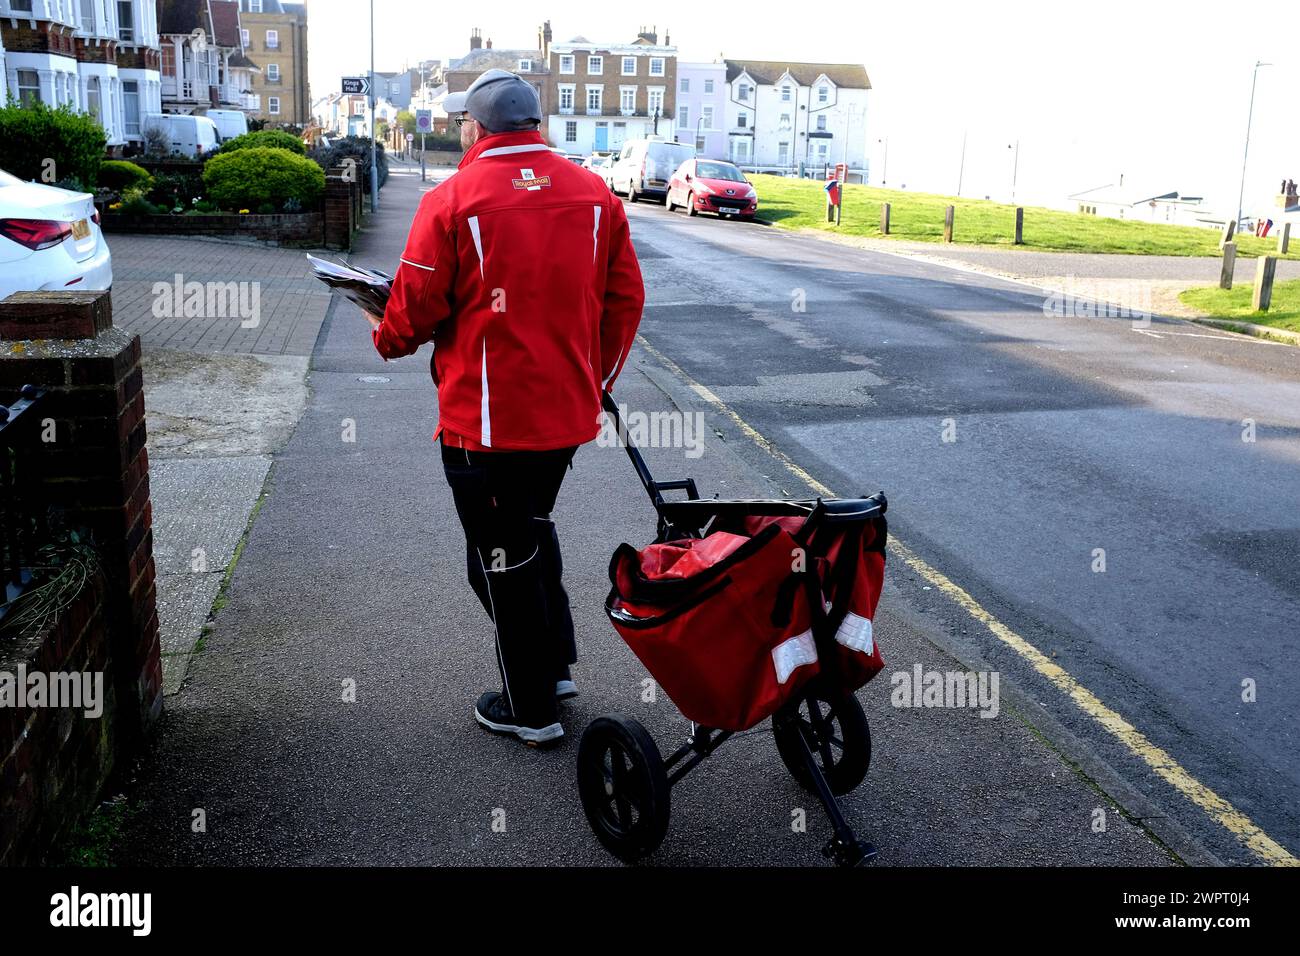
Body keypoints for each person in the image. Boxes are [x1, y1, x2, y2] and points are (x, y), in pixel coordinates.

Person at [365, 69, 645, 745]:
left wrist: (385, 328)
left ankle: (531, 708)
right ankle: (554, 669)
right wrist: (594, 378)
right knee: (530, 534)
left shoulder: (454, 199)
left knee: (497, 557)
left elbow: (414, 311)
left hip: (484, 426)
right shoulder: (595, 195)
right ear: (534, 124)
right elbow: (624, 300)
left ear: (475, 127)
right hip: (563, 421)